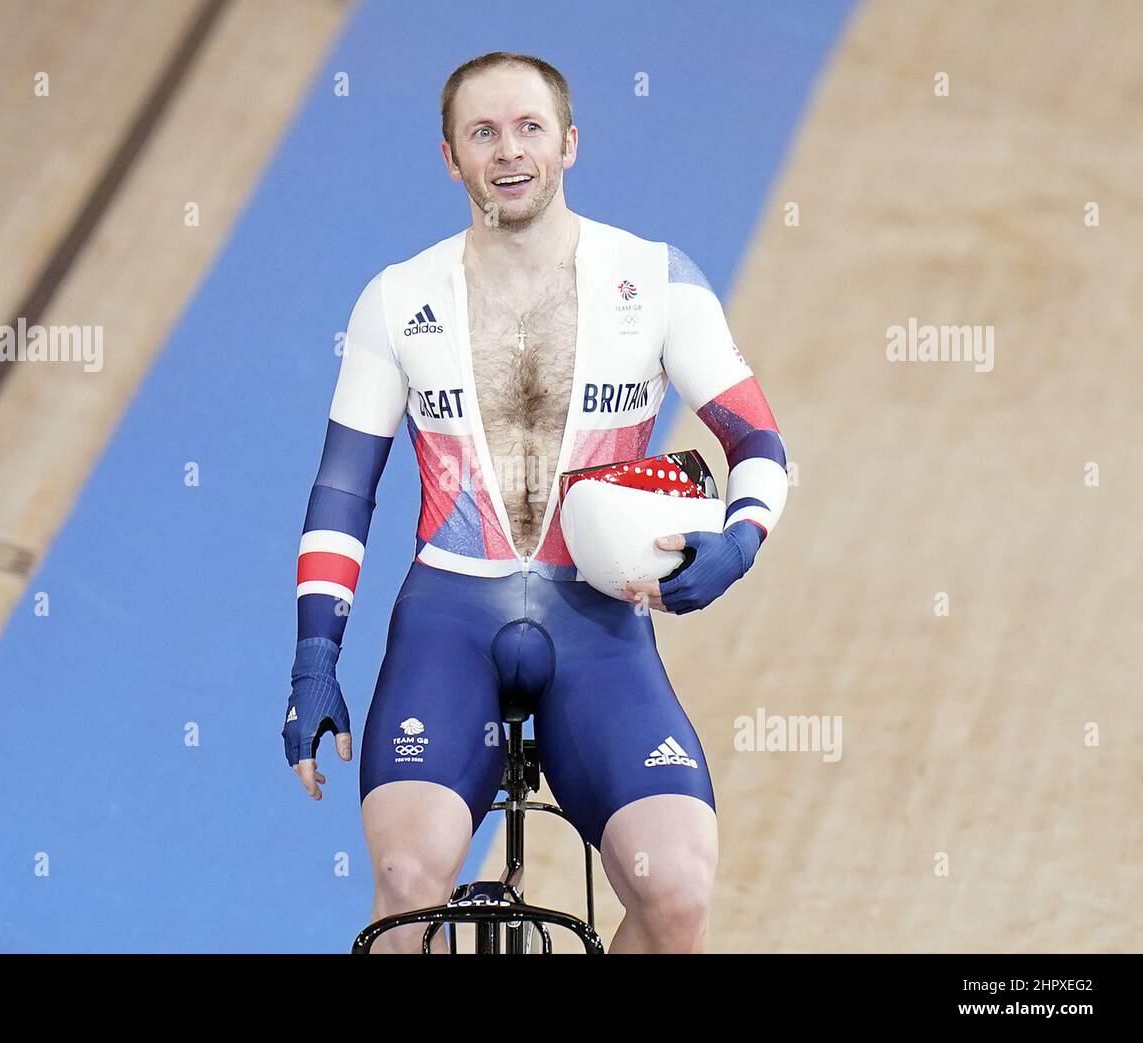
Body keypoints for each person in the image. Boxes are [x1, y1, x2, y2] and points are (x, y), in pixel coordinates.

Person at [284, 52, 788, 953]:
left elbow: (758, 444)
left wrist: (741, 541)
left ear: (569, 144)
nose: (507, 152)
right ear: (451, 157)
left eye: (527, 129)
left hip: (596, 620)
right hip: (449, 615)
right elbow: (341, 491)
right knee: (406, 888)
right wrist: (315, 658)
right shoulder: (398, 300)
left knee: (675, 890)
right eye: (483, 133)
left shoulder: (657, 279)